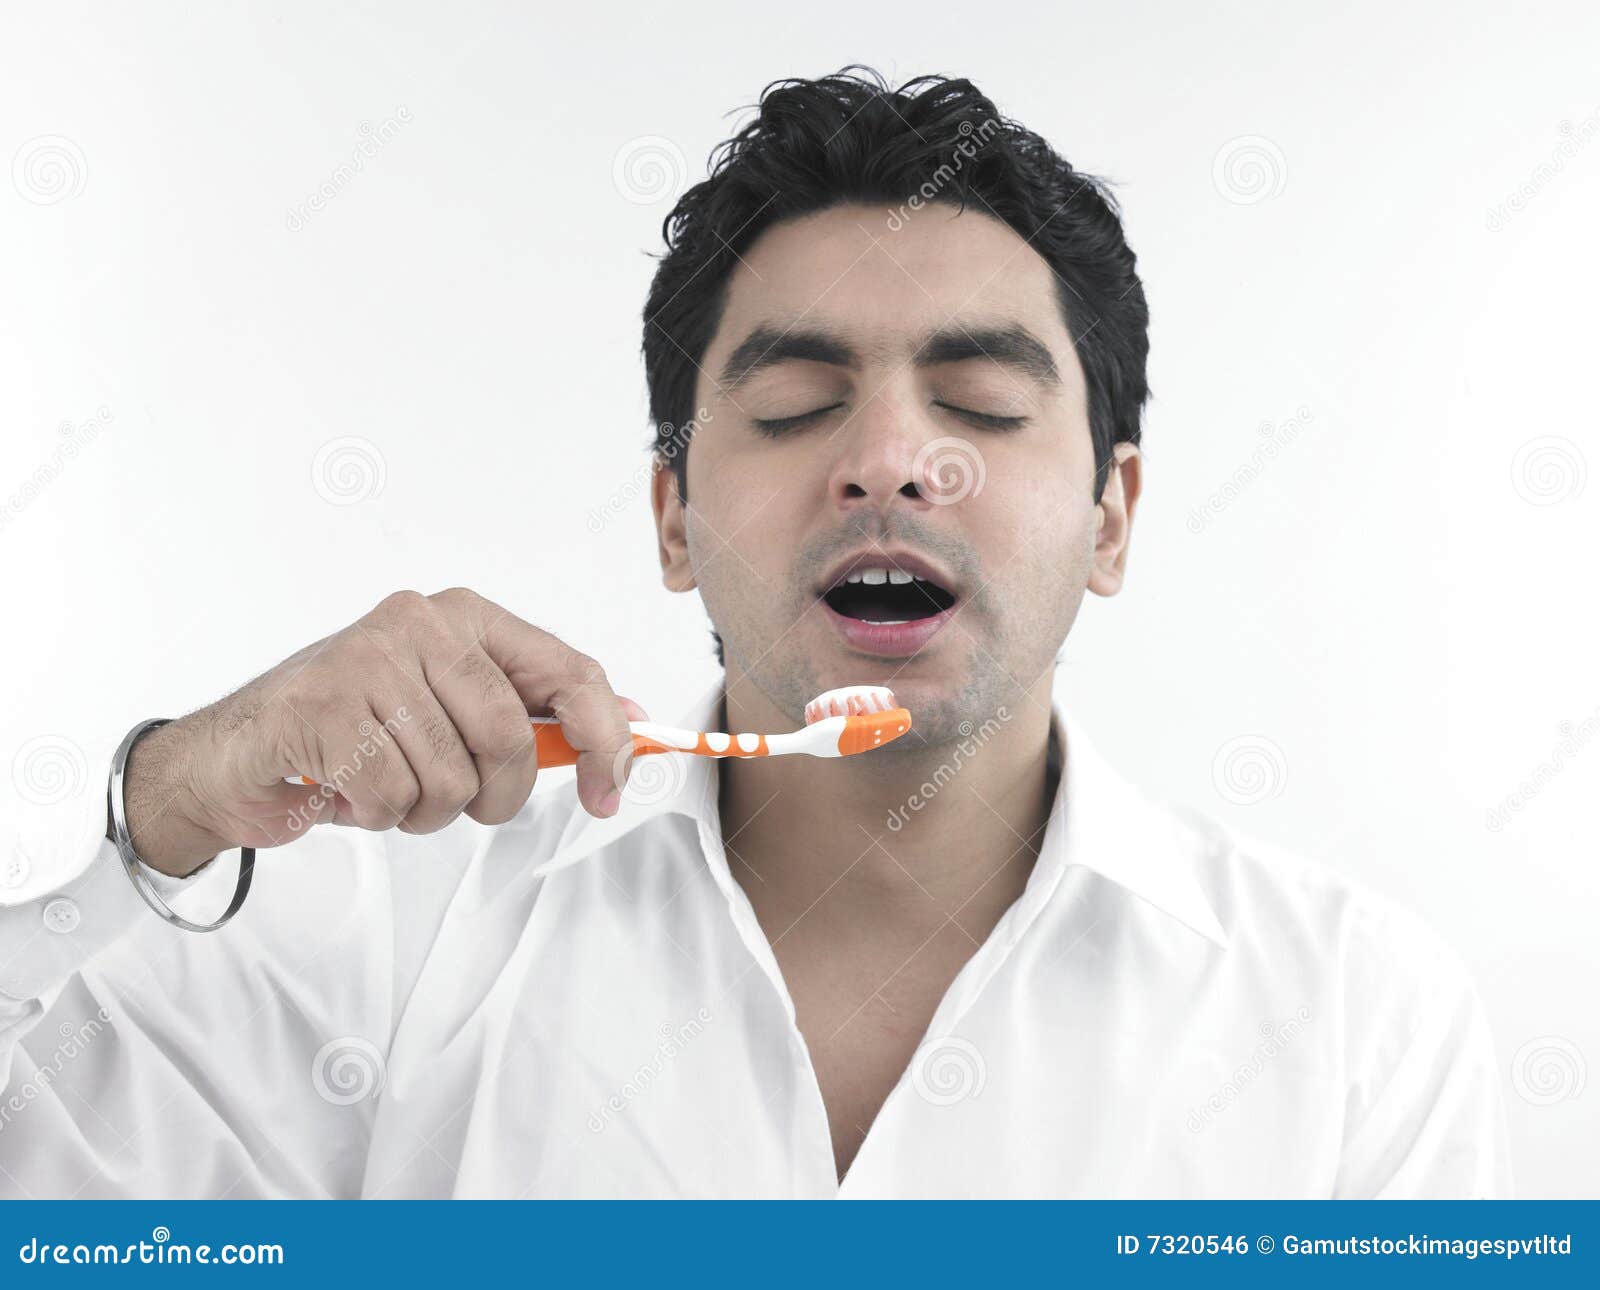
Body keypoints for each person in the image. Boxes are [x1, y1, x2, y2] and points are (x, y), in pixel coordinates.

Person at [0, 68, 1511, 1198]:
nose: (891, 462)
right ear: (673, 518)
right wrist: (163, 814)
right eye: (796, 407)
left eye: (981, 405)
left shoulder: (1353, 1023)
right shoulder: (374, 937)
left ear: (1113, 516)